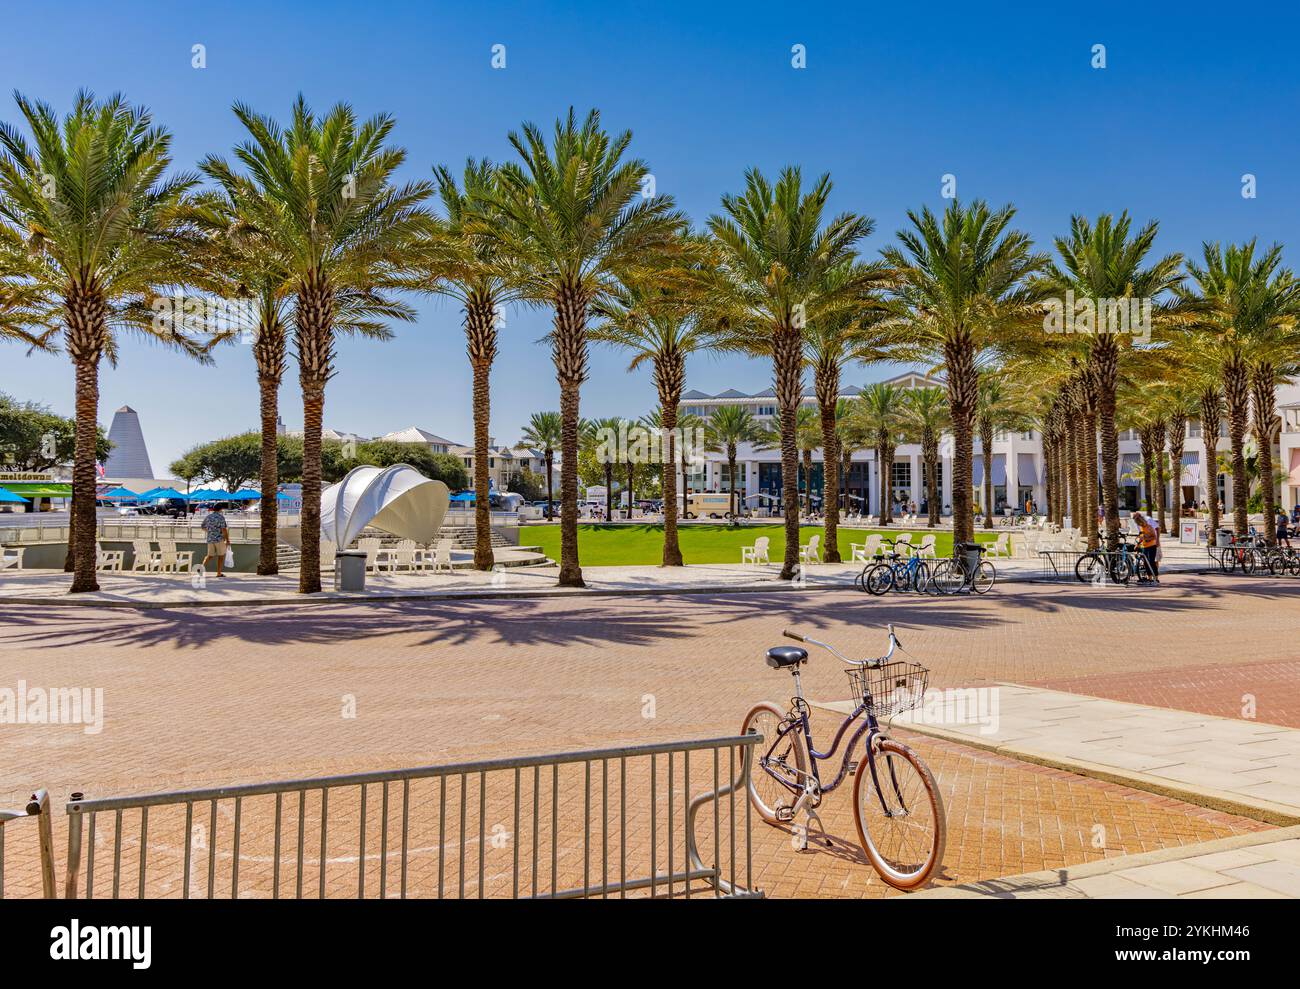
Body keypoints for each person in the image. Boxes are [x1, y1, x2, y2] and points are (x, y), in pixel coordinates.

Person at [201, 504, 230, 577]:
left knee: (209, 555)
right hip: (219, 539)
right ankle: (219, 573)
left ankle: (201, 568)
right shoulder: (221, 517)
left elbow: (202, 526)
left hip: (210, 539)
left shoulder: (208, 516)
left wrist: (210, 532)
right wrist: (227, 540)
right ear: (220, 509)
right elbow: (224, 529)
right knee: (221, 556)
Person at [1133, 511, 1159, 582]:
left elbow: (1154, 537)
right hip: (1144, 546)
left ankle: (1156, 578)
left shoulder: (1149, 527)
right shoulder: (1141, 528)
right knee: (1146, 562)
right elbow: (1141, 538)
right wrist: (1137, 545)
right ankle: (1149, 578)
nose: (1140, 525)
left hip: (1152, 546)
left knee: (1151, 562)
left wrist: (1147, 539)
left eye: (1140, 523)